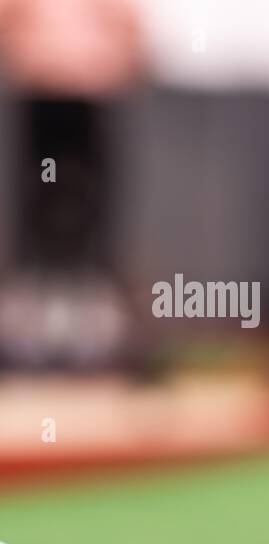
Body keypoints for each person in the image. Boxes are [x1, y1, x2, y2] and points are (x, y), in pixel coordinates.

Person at [0, 0, 144, 369]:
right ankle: (32, 331)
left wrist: (99, 65)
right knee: (41, 210)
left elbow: (131, 33)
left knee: (86, 213)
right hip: (41, 103)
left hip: (89, 103)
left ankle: (92, 332)